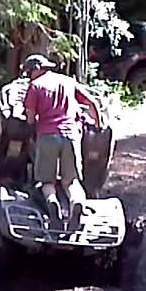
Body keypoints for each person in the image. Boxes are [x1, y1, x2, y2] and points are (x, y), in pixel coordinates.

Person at [20, 54, 102, 230]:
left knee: (47, 181)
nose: (28, 76)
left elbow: (30, 119)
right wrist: (99, 124)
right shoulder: (67, 82)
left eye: (28, 73)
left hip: (47, 136)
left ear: (35, 70)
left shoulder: (35, 86)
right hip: (71, 136)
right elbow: (92, 102)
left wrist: (31, 125)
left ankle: (52, 204)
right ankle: (77, 204)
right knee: (71, 181)